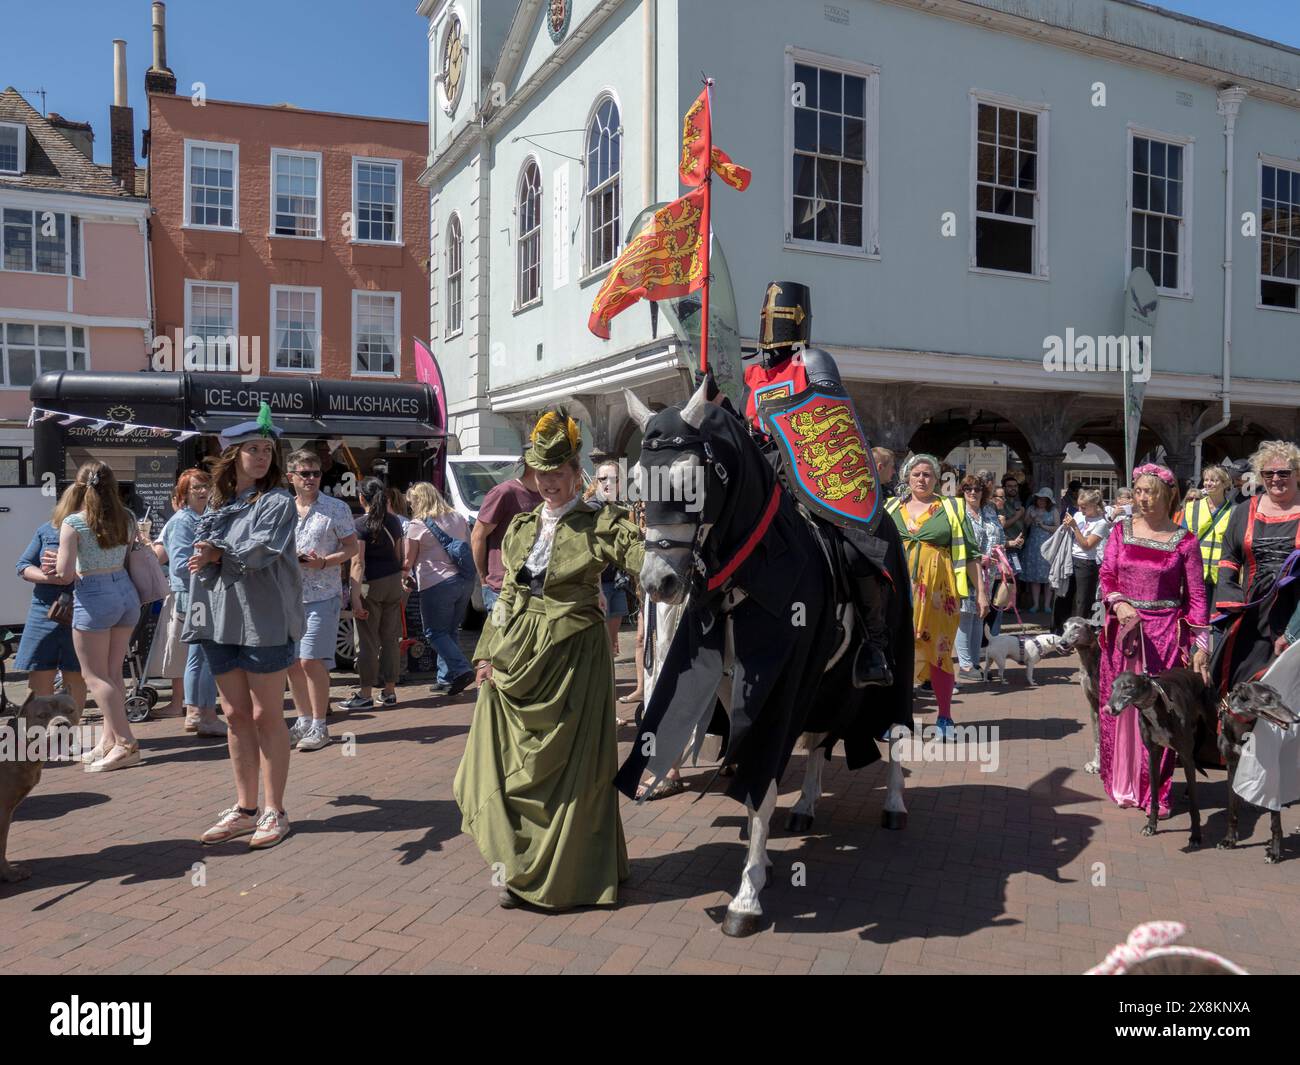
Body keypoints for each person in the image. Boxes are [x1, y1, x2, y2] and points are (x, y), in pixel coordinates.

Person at [455, 407, 644, 910]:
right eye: (542, 473)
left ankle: (575, 873)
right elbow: (511, 597)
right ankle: (519, 868)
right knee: (516, 764)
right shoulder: (518, 527)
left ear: (575, 472)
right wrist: (487, 656)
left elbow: (647, 560)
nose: (550, 483)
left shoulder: (601, 522)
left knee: (573, 770)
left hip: (575, 655)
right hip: (522, 654)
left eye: (559, 473)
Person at [184, 404, 301, 849]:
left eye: (267, 450)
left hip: (263, 620)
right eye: (252, 449)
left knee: (264, 714)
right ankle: (245, 807)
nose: (262, 457)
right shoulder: (217, 502)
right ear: (232, 456)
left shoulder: (277, 501)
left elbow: (261, 549)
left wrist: (216, 552)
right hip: (217, 618)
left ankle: (275, 811)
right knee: (233, 716)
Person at [1097, 463, 1208, 815]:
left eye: (1150, 492)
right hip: (1125, 633)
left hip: (1163, 636)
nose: (1143, 499)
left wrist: (1200, 644)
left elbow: (1197, 596)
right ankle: (1122, 782)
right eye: (1139, 491)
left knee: (1161, 714)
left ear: (1167, 495)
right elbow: (1107, 574)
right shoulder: (1121, 531)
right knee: (1121, 707)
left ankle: (1154, 791)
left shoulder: (1185, 541)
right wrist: (1119, 602)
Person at [51, 463, 142, 772]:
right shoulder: (128, 518)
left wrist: (54, 564)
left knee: (95, 677)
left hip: (93, 594)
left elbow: (64, 575)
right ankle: (109, 740)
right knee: (113, 673)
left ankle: (127, 744)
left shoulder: (74, 522)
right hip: (126, 592)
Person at [885, 453, 978, 737]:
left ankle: (945, 718)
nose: (921, 479)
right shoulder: (891, 507)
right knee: (897, 653)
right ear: (906, 478)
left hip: (939, 593)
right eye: (916, 474)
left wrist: (982, 593)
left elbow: (972, 553)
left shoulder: (951, 508)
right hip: (898, 591)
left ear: (937, 479)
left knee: (939, 652)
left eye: (927, 474)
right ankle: (897, 718)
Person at [1211, 441, 1300, 695]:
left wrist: (1295, 628)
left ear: (1297, 473)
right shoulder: (1243, 511)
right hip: (1252, 611)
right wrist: (1231, 602)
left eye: (1284, 473)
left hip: (1295, 613)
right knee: (1241, 682)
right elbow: (1229, 558)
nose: (1275, 479)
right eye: (1268, 473)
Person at [285, 448, 358, 752]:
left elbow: (352, 548)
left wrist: (325, 561)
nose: (312, 479)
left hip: (322, 595)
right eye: (305, 474)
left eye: (316, 473)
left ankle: (320, 725)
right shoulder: (283, 509)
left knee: (310, 660)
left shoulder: (335, 508)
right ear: (291, 477)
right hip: (288, 597)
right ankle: (302, 720)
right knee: (292, 664)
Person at [151, 469, 225, 736]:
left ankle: (196, 712)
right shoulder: (184, 520)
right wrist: (216, 561)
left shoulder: (204, 517)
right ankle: (201, 714)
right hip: (193, 594)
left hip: (204, 592)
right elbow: (181, 564)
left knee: (199, 655)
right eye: (196, 487)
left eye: (206, 485)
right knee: (203, 655)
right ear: (184, 492)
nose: (203, 491)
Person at [340, 477, 406, 711]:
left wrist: (354, 596)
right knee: (389, 639)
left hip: (371, 585)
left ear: (361, 498)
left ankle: (366, 693)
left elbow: (358, 563)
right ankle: (389, 691)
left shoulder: (360, 525)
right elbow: (400, 554)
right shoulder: (395, 521)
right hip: (393, 582)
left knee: (367, 641)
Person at [405, 481, 474, 696]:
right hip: (463, 580)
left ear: (418, 501)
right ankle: (445, 678)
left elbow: (408, 559)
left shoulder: (418, 524)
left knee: (434, 633)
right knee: (450, 631)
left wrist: (404, 574)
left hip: (435, 582)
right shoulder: (458, 517)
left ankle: (462, 669)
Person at [14, 516, 86, 712]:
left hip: (82, 608)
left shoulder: (98, 530)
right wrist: (49, 577)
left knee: (75, 674)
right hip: (44, 609)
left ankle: (71, 733)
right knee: (40, 673)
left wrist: (68, 565)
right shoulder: (48, 528)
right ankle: (42, 734)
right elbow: (23, 565)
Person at [471, 462, 542, 615]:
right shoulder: (504, 492)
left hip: (536, 589)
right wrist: (484, 581)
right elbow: (478, 537)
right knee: (501, 637)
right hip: (501, 590)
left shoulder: (549, 495)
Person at [954, 475, 999, 682]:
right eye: (968, 488)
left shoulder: (988, 511)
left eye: (977, 489)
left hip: (987, 572)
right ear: (961, 490)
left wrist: (997, 553)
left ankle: (973, 662)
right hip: (966, 568)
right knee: (964, 614)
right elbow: (956, 541)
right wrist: (979, 556)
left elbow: (999, 536)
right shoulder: (958, 511)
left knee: (979, 615)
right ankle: (964, 665)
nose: (973, 492)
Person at [1178, 464, 1233, 612]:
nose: (1208, 483)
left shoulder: (1234, 510)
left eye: (1214, 480)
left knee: (1219, 622)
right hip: (1194, 573)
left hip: (1222, 575)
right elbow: (1182, 540)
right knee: (1194, 619)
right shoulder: (1192, 508)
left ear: (1225, 483)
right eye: (1206, 479)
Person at [1060, 489, 1111, 625]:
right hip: (1070, 558)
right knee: (1064, 596)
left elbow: (1087, 545)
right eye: (1079, 506)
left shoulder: (1101, 523)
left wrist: (1074, 527)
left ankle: (1080, 632)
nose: (1081, 510)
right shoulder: (1077, 515)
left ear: (1094, 505)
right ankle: (1060, 629)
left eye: (1084, 507)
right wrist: (1066, 526)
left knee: (1082, 601)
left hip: (1087, 563)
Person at [1021, 488, 1060, 614]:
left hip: (1049, 546)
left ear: (1048, 501)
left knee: (1048, 576)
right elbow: (1025, 524)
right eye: (1039, 499)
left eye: (1044, 499)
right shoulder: (1031, 509)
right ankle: (1036, 604)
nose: (1041, 501)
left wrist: (1043, 525)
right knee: (1035, 576)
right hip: (1033, 546)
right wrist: (1032, 518)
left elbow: (1058, 528)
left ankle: (1047, 605)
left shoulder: (1053, 511)